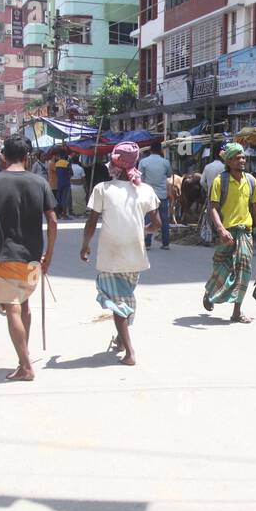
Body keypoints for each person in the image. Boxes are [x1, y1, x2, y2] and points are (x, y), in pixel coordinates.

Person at [0, 134, 58, 382]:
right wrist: (49, 255)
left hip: (3, 257)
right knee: (24, 304)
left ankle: (25, 366)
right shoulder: (40, 182)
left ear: (3, 155)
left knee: (11, 308)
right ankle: (24, 355)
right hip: (33, 258)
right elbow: (53, 222)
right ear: (27, 157)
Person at [80, 142, 161, 365]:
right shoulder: (145, 190)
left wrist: (85, 245)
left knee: (117, 303)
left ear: (114, 165)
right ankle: (120, 338)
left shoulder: (102, 189)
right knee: (125, 297)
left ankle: (129, 351)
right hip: (136, 254)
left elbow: (91, 222)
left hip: (111, 254)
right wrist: (140, 230)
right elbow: (157, 224)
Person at [202, 143, 256, 323]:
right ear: (229, 161)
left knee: (243, 272)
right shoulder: (219, 181)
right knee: (221, 269)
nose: (242, 161)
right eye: (237, 158)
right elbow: (213, 208)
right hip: (226, 233)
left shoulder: (251, 181)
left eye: (243, 157)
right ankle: (210, 292)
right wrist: (221, 229)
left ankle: (237, 311)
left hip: (245, 233)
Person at [138, 141, 173, 250]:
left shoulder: (143, 162)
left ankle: (147, 244)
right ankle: (166, 243)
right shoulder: (165, 162)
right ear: (160, 150)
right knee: (164, 219)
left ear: (150, 150)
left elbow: (140, 178)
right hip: (162, 195)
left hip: (148, 195)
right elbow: (169, 175)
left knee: (148, 218)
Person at [53, 150, 74, 219]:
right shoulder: (67, 163)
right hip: (66, 183)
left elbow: (56, 172)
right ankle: (64, 214)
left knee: (59, 198)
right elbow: (71, 173)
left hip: (59, 183)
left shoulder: (57, 163)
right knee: (65, 199)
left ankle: (57, 214)